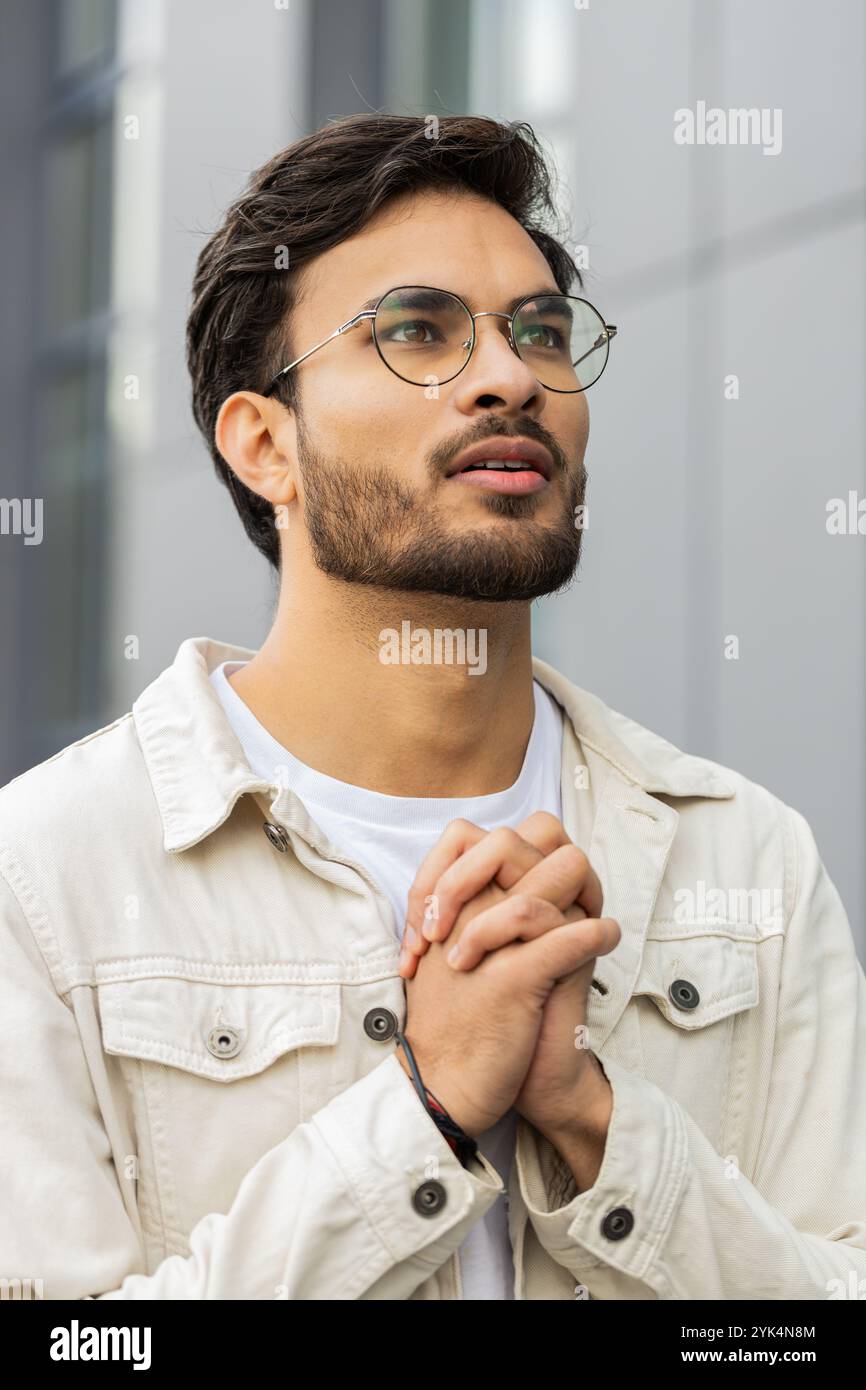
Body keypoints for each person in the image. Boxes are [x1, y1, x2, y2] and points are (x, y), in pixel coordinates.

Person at [1, 114, 864, 1301]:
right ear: (265, 445)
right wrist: (425, 1108)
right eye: (417, 330)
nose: (510, 376)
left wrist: (602, 1125)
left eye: (539, 332)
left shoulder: (745, 861)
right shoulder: (46, 878)